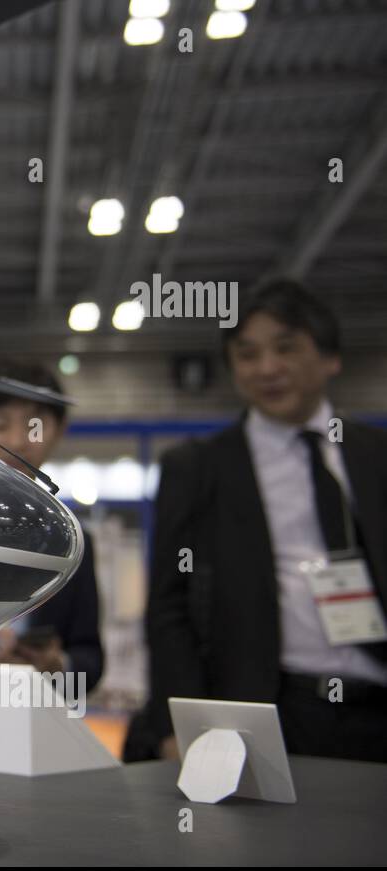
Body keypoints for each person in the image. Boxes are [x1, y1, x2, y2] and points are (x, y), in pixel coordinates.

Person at [130, 278, 387, 763]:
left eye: (285, 348)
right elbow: (169, 607)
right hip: (266, 711)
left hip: (377, 708)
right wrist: (179, 723)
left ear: (330, 358)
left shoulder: (375, 457)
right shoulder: (198, 468)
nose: (267, 368)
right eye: (247, 355)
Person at [0, 361, 104, 691]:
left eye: (34, 426)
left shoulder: (76, 541)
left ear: (59, 431)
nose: (17, 441)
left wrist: (59, 666)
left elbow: (91, 658)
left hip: (38, 717)